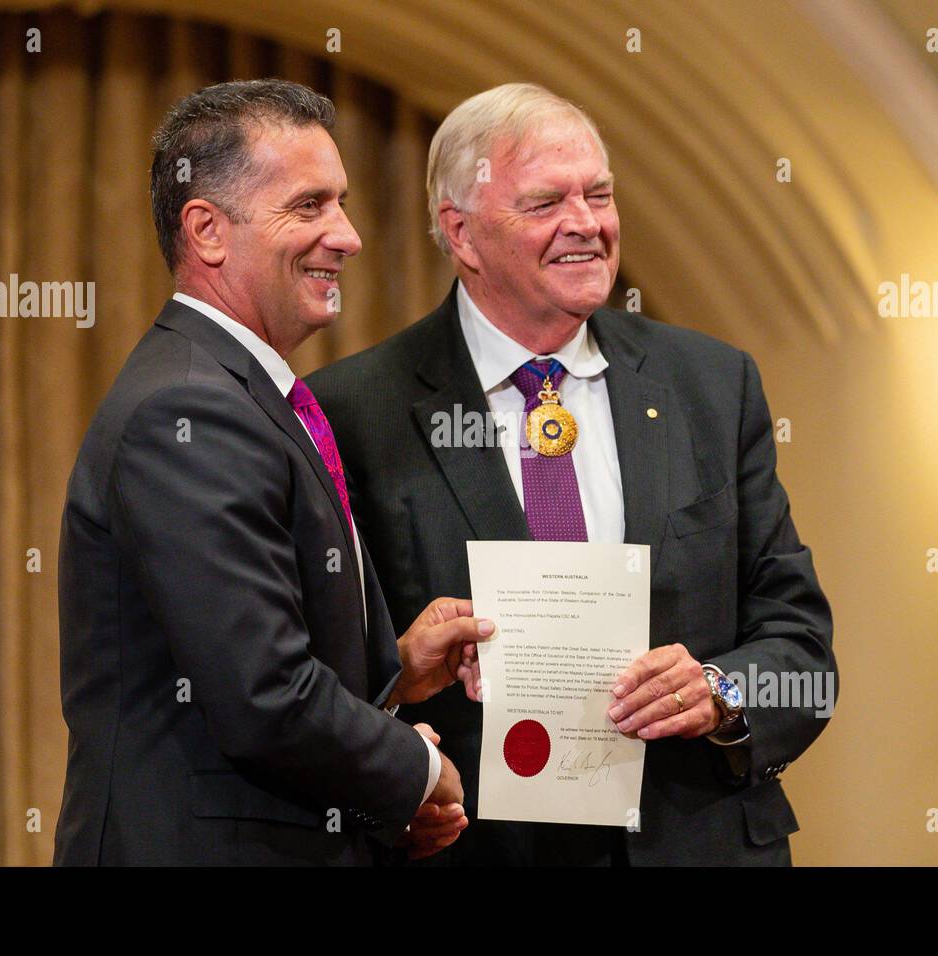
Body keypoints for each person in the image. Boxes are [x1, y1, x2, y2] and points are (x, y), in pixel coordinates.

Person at [308, 83, 837, 865]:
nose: (586, 223)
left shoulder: (711, 385)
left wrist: (721, 693)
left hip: (700, 842)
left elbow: (800, 644)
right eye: (545, 202)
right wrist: (395, 765)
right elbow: (324, 679)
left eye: (599, 194)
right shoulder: (354, 411)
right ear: (463, 234)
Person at [54, 79, 489, 866]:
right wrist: (422, 769)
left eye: (344, 202)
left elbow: (253, 660)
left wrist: (391, 674)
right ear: (208, 230)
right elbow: (263, 696)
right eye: (309, 205)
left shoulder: (244, 393)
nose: (350, 236)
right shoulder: (188, 410)